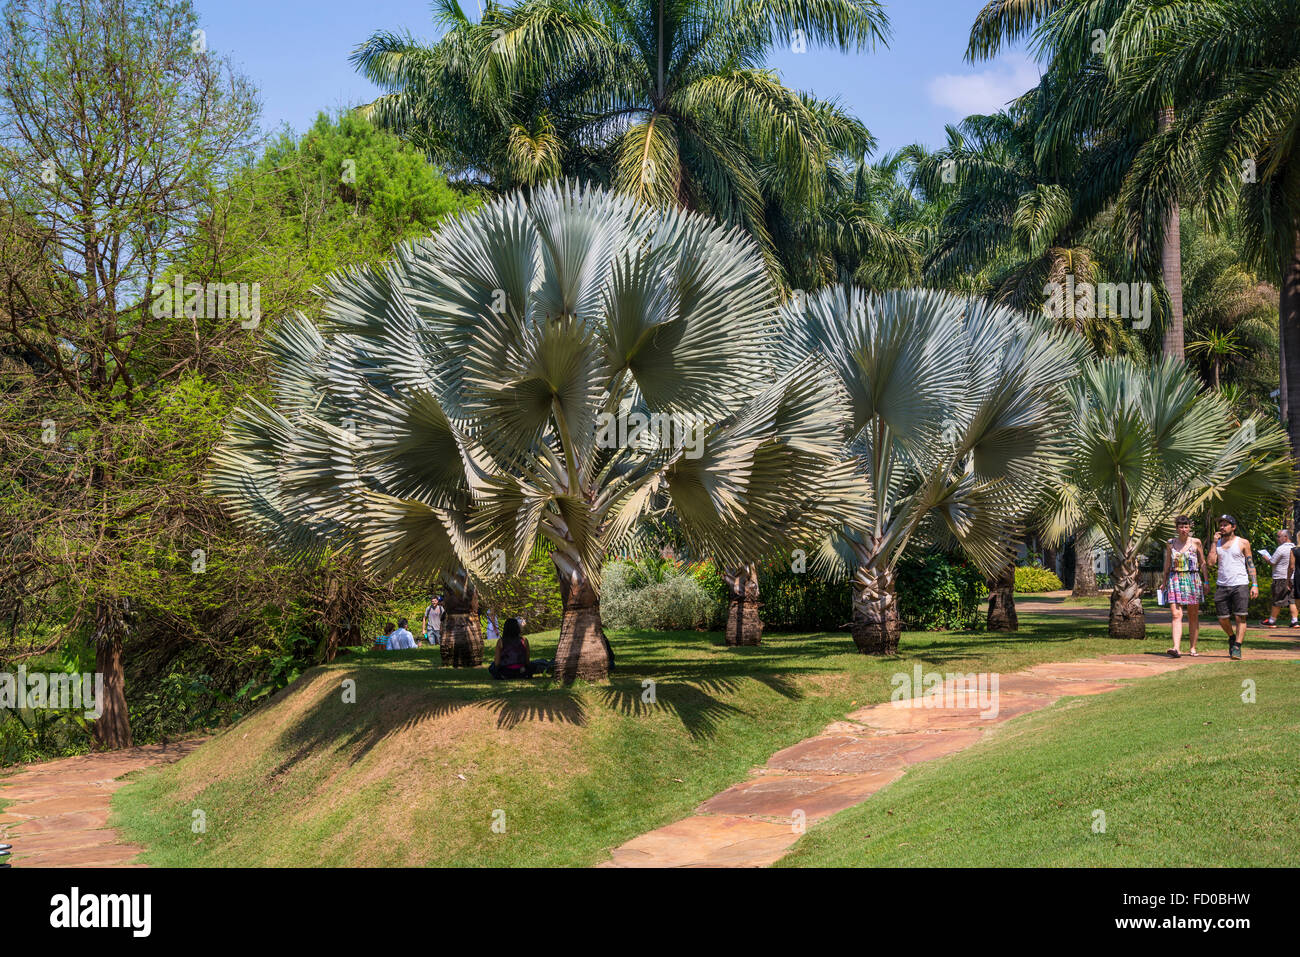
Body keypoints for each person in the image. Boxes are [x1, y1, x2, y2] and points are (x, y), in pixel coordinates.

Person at [1206, 514, 1258, 660]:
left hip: (1240, 584)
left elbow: (1250, 563)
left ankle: (1237, 646)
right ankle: (1231, 636)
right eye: (1221, 525)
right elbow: (1210, 563)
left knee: (1240, 617)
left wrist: (1254, 584)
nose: (1222, 527)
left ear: (1233, 527)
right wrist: (1213, 543)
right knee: (1222, 618)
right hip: (1222, 585)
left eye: (1225, 524)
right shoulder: (1217, 543)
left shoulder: (1243, 542)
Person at [1161, 515, 1206, 657]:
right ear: (1177, 528)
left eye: (1186, 527)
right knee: (1176, 614)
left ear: (1189, 528)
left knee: (1193, 615)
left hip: (1192, 579)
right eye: (1181, 527)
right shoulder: (1170, 543)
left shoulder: (1196, 542)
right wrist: (1164, 582)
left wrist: (1206, 581)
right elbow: (1167, 563)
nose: (1183, 530)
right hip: (1175, 579)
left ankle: (1192, 647)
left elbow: (1202, 562)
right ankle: (1176, 648)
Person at [488, 617, 553, 679]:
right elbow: (527, 661)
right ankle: (549, 665)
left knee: (492, 666)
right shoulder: (524, 640)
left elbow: (497, 663)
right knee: (537, 663)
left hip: (505, 671)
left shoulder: (501, 641)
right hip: (522, 670)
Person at [1258, 529, 1298, 628]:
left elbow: (1272, 562)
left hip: (1281, 577)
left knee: (1278, 599)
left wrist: (1265, 557)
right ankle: (1295, 621)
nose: (1277, 539)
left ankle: (1272, 621)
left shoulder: (1281, 549)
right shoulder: (1295, 547)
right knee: (1292, 600)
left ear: (1285, 537)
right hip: (1293, 577)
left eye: (1279, 536)